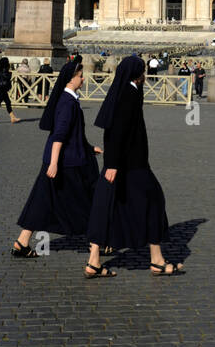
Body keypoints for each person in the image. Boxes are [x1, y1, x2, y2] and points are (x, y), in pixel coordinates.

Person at [86, 55, 183, 275]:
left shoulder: (127, 90)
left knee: (106, 205)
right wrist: (112, 164)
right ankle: (156, 260)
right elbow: (117, 132)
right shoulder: (129, 94)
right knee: (154, 201)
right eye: (143, 71)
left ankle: (94, 261)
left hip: (122, 162)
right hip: (130, 164)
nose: (145, 74)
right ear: (138, 74)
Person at [11, 59, 103, 264]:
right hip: (66, 163)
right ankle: (97, 242)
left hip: (61, 159)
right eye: (80, 76)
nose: (83, 78)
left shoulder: (67, 99)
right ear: (71, 79)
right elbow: (59, 135)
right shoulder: (68, 102)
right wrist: (53, 164)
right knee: (87, 201)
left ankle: (22, 242)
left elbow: (72, 134)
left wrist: (88, 148)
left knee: (42, 201)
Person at [0, 56, 19, 125]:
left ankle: (12, 117)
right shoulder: (4, 70)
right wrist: (10, 73)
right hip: (3, 88)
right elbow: (7, 77)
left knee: (8, 102)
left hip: (1, 88)